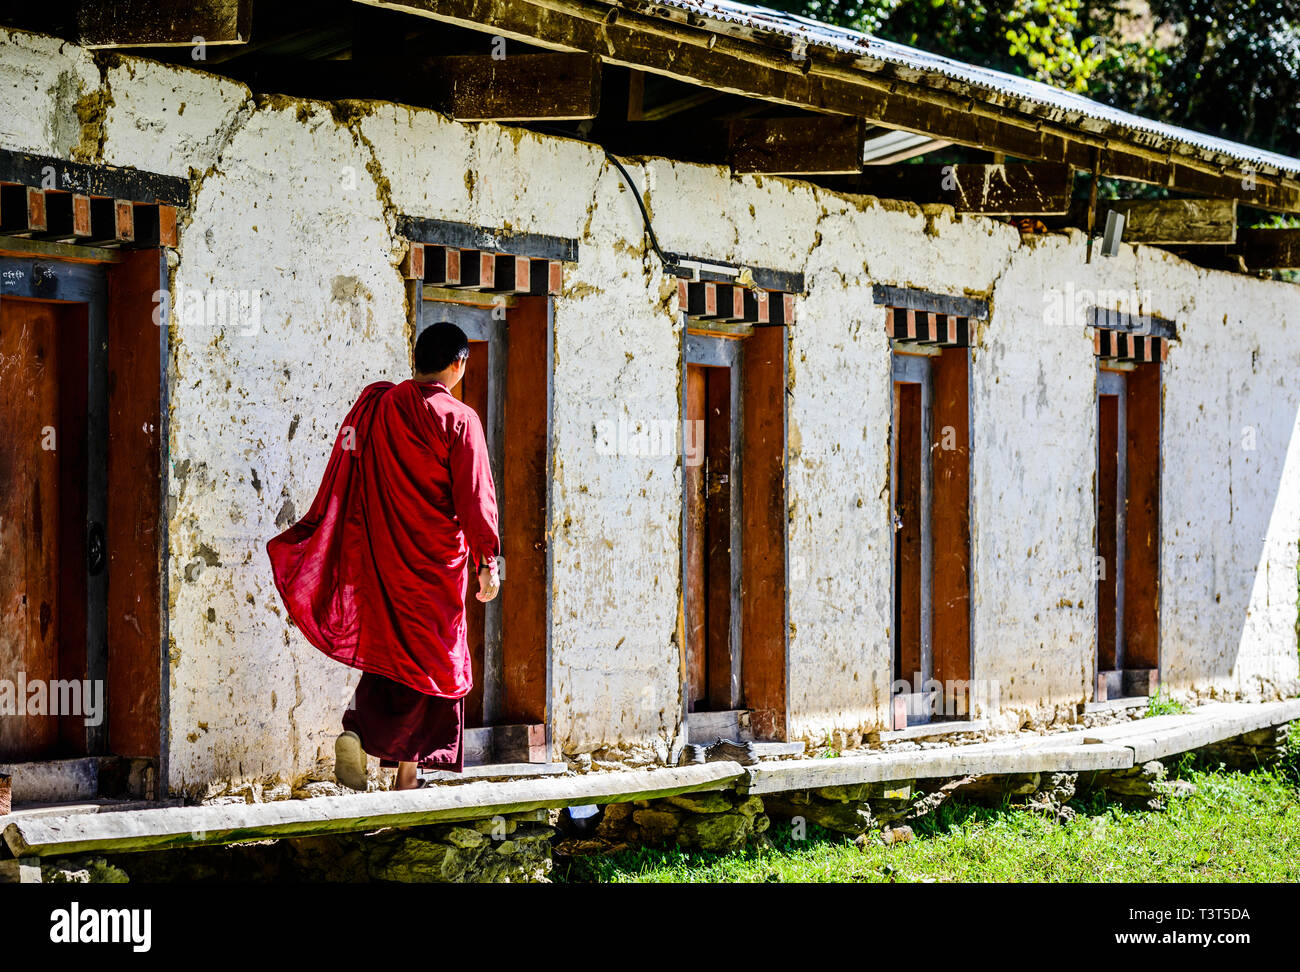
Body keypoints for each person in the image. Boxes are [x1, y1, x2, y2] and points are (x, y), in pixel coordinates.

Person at [267, 321, 501, 791]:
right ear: (458, 365)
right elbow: (476, 499)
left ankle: (366, 737)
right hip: (436, 567)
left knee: (391, 656)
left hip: (384, 561)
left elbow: (352, 468)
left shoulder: (378, 406)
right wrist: (487, 562)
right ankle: (406, 771)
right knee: (434, 662)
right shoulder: (459, 420)